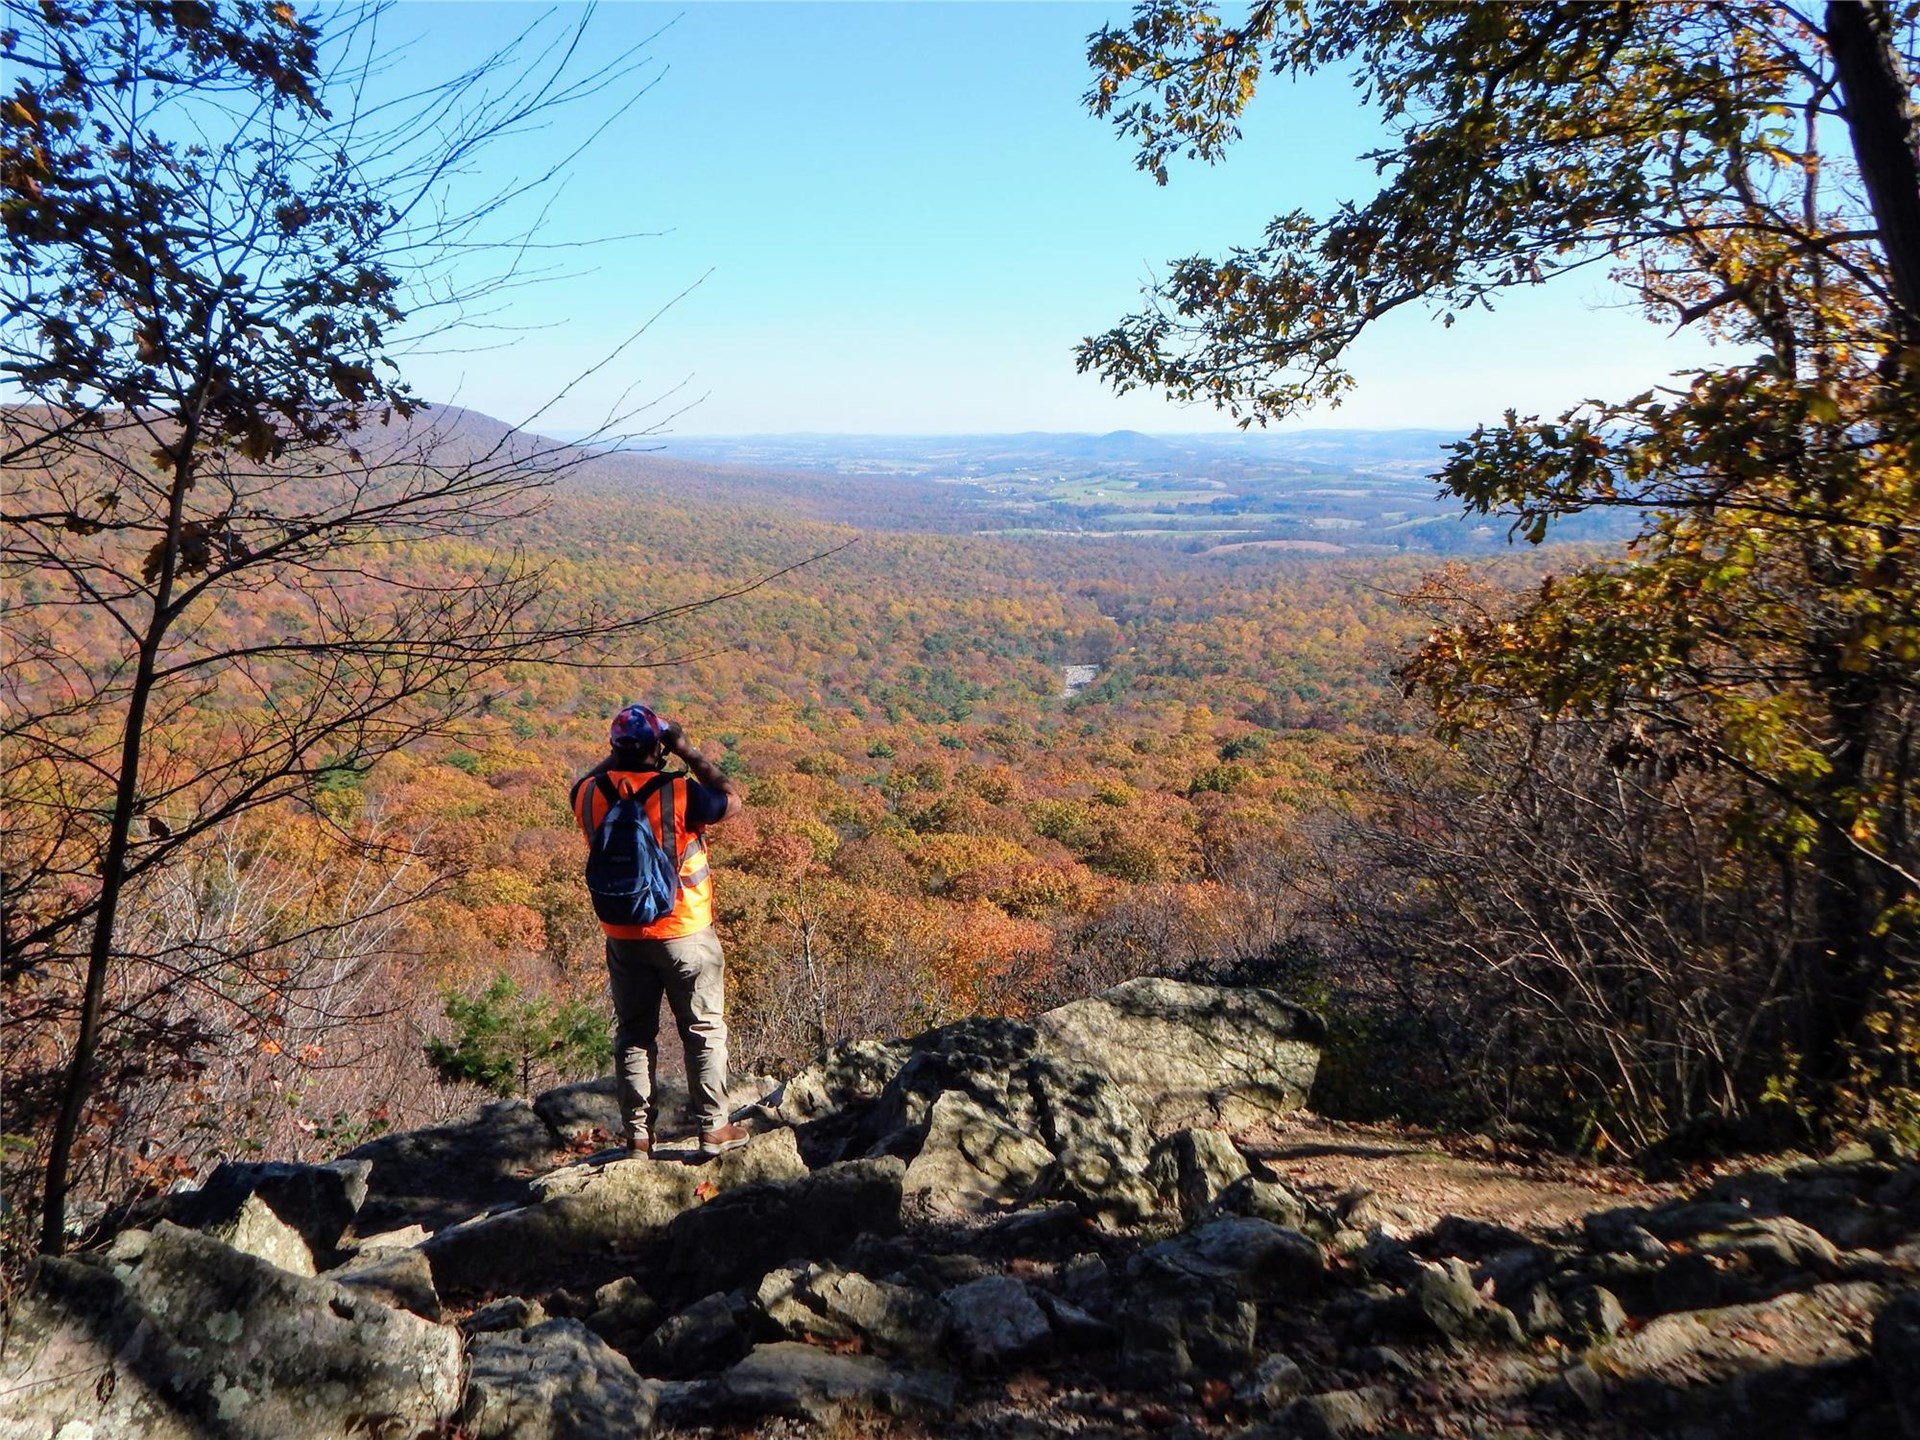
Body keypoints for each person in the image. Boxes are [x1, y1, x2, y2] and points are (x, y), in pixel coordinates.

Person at [571, 702, 746, 1157]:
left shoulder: (588, 794)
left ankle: (637, 1139)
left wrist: (620, 756)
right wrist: (687, 750)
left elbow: (586, 781)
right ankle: (713, 1129)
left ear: (613, 748)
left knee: (634, 1034)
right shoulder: (681, 792)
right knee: (703, 1029)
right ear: (657, 748)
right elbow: (732, 799)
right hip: (685, 930)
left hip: (623, 932)